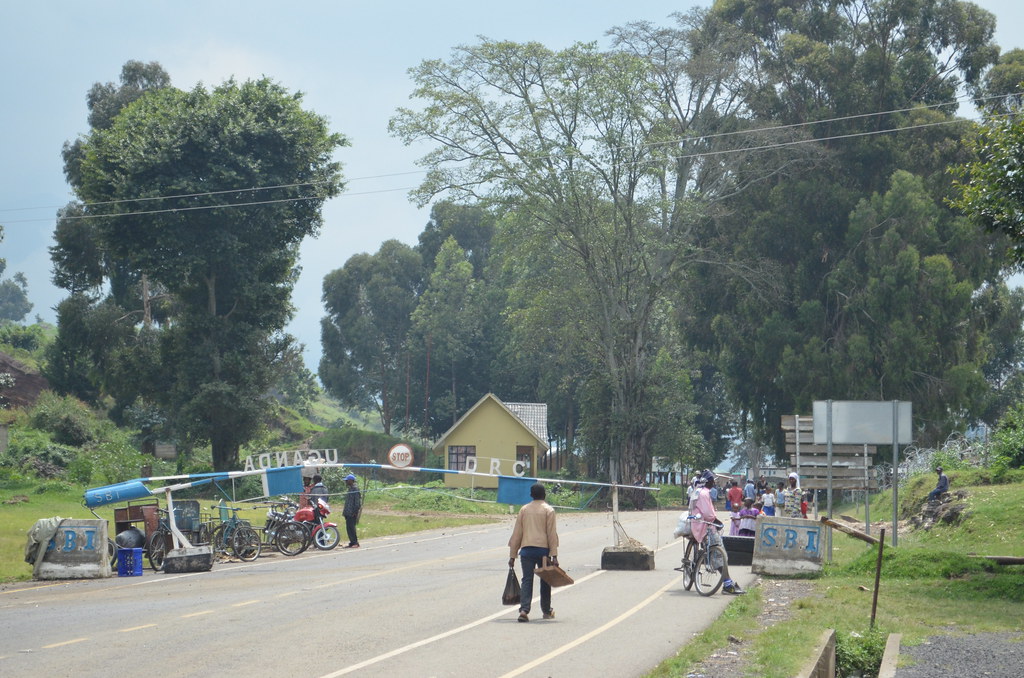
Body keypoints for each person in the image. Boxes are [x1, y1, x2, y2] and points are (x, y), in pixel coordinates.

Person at [508, 482, 559, 622]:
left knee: (527, 580)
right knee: (545, 581)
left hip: (526, 551)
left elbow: (517, 534)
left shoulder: (524, 510)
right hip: (543, 551)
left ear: (531, 495)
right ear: (545, 495)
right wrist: (554, 555)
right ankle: (546, 610)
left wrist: (512, 556)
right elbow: (551, 535)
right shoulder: (549, 510)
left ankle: (524, 610)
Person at [689, 477, 745, 595]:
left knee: (715, 553)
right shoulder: (704, 494)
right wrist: (717, 521)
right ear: (709, 482)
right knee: (720, 555)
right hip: (706, 526)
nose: (714, 483)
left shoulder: (697, 490)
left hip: (697, 525)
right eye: (713, 481)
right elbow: (708, 514)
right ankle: (728, 584)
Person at [342, 473, 361, 548]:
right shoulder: (350, 489)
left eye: (347, 480)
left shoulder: (355, 489)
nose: (346, 482)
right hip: (348, 512)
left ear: (351, 481)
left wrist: (354, 512)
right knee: (348, 528)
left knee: (352, 528)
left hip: (352, 513)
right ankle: (352, 542)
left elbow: (357, 503)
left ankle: (355, 542)